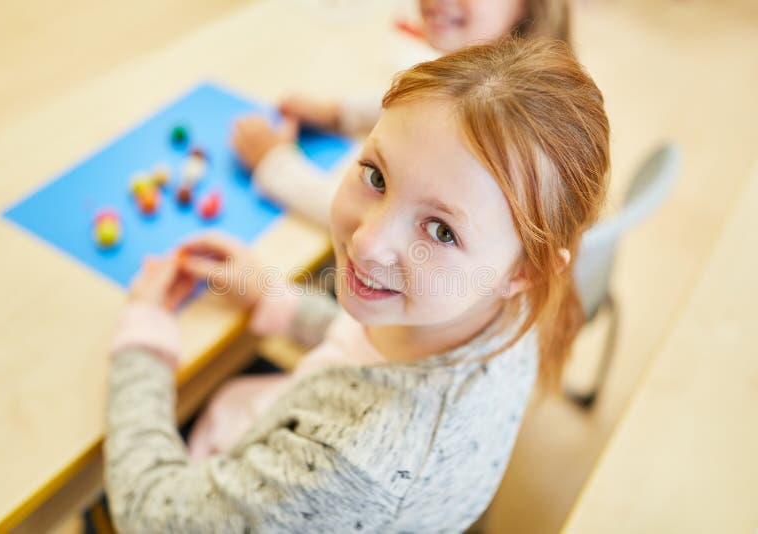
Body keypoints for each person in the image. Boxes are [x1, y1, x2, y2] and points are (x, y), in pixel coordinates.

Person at [105, 37, 610, 532]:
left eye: (441, 230)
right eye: (375, 175)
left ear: (524, 272)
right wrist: (278, 299)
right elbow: (376, 356)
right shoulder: (503, 313)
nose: (367, 245)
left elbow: (150, 512)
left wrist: (143, 342)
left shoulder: (350, 462)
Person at [231, 0, 571, 228]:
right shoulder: (490, 72)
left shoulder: (494, 133)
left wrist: (273, 162)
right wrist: (338, 114)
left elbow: (380, 226)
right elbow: (427, 96)